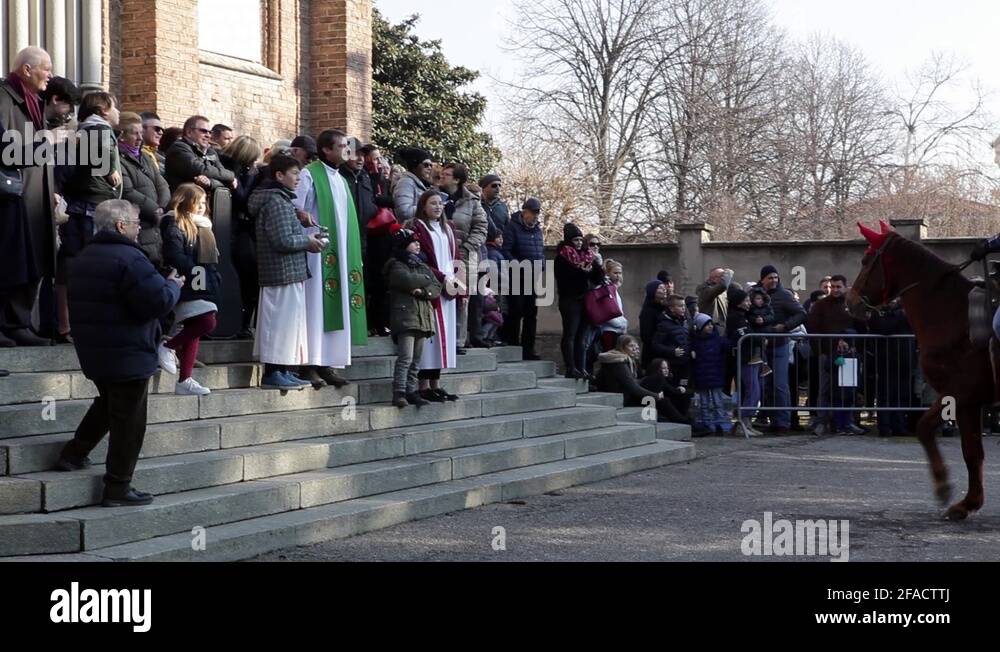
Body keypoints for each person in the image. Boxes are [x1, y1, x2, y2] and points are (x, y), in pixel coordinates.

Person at [55, 199, 182, 507]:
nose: (139, 230)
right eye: (137, 224)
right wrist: (174, 286)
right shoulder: (131, 259)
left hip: (97, 350)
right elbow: (156, 301)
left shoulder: (85, 256)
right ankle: (117, 486)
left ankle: (74, 452)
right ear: (122, 225)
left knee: (109, 403)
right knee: (130, 422)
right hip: (128, 350)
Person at [293, 129, 366, 388]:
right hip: (316, 252)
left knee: (336, 305)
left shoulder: (342, 179)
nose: (347, 151)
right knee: (315, 306)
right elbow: (295, 206)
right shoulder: (309, 174)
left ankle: (328, 363)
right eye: (342, 146)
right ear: (326, 149)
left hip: (341, 253)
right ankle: (308, 364)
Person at [249, 154, 326, 390]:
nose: (298, 179)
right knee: (278, 324)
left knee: (289, 325)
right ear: (279, 175)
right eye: (294, 173)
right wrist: (308, 241)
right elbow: (282, 240)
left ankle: (283, 369)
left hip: (288, 271)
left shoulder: (282, 200)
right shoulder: (276, 201)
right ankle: (273, 372)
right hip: (279, 272)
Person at [55, 91, 122, 344]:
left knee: (71, 266)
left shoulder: (79, 131)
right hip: (91, 207)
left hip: (80, 206)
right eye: (114, 107)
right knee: (89, 267)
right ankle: (76, 326)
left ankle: (66, 325)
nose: (117, 113)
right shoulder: (100, 130)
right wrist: (108, 169)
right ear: (104, 109)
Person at [0, 46, 56, 348]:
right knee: (10, 261)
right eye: (46, 68)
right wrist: (50, 141)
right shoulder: (3, 98)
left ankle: (18, 322)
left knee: (33, 261)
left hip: (36, 197)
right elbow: (7, 151)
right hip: (11, 197)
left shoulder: (35, 102)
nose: (50, 74)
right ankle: (6, 322)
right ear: (26, 70)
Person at [158, 184, 221, 396]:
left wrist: (212, 276)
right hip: (187, 281)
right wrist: (196, 271)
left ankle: (185, 379)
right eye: (198, 202)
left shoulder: (203, 226)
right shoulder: (175, 223)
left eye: (204, 203)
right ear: (185, 201)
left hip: (201, 281)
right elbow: (174, 254)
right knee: (206, 321)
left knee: (196, 325)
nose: (202, 207)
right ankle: (168, 347)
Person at [384, 224, 442, 408]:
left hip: (423, 318)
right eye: (413, 243)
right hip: (405, 318)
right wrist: (427, 280)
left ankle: (411, 390)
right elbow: (408, 280)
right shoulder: (396, 264)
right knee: (405, 358)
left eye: (418, 243)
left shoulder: (421, 265)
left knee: (416, 360)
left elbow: (436, 287)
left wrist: (423, 292)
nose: (418, 246)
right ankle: (399, 391)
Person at [410, 189, 459, 402]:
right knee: (431, 338)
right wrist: (441, 277)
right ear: (423, 206)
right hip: (431, 287)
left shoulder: (447, 229)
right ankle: (423, 384)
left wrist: (457, 278)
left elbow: (455, 257)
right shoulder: (418, 228)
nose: (438, 207)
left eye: (440, 203)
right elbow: (421, 258)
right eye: (433, 203)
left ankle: (436, 383)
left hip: (448, 288)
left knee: (444, 337)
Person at [806, 274, 866, 435]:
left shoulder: (852, 305)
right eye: (833, 287)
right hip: (826, 353)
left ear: (845, 287)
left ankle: (847, 422)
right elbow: (813, 329)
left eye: (838, 287)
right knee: (824, 389)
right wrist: (821, 351)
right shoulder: (820, 305)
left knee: (848, 390)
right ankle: (822, 421)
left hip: (849, 355)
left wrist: (853, 345)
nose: (835, 290)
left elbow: (860, 327)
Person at [440, 162, 488, 350]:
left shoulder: (472, 202)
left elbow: (481, 227)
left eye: (447, 174)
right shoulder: (436, 197)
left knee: (461, 299)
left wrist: (467, 246)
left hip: (464, 257)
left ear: (457, 179)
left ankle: (458, 342)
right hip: (440, 253)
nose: (442, 177)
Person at [220, 135, 265, 337]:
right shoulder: (232, 170)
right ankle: (239, 323)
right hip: (234, 230)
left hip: (241, 230)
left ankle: (244, 323)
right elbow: (243, 200)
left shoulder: (247, 173)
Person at [757, 265, 807, 434]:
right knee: (767, 385)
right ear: (763, 279)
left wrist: (784, 326)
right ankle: (772, 420)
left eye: (776, 277)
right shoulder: (756, 294)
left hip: (779, 344)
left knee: (780, 384)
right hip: (760, 347)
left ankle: (783, 422)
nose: (774, 280)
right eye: (770, 277)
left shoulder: (784, 295)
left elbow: (801, 313)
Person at [118, 111, 171, 268]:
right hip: (138, 224)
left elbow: (162, 184)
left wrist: (161, 207)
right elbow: (127, 191)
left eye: (141, 133)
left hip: (154, 225)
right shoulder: (118, 159)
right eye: (135, 134)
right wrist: (154, 209)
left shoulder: (146, 158)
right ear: (121, 135)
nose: (140, 138)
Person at [554, 222, 603, 379]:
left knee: (582, 336)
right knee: (571, 334)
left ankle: (581, 368)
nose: (579, 243)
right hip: (570, 300)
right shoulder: (562, 257)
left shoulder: (588, 256)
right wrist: (582, 273)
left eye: (581, 240)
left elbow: (598, 278)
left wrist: (595, 268)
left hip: (585, 300)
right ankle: (571, 367)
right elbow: (566, 282)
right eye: (576, 240)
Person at [501, 197, 545, 360]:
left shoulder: (537, 231)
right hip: (516, 276)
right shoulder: (512, 227)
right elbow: (506, 251)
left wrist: (540, 267)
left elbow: (540, 251)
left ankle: (528, 349)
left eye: (537, 213)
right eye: (533, 212)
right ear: (524, 212)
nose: (535, 216)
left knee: (531, 314)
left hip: (533, 277)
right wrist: (518, 266)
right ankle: (513, 345)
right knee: (515, 311)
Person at [361, 143, 397, 336]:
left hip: (384, 234)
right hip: (371, 235)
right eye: (375, 159)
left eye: (379, 158)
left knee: (382, 282)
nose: (379, 162)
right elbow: (376, 200)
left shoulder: (382, 178)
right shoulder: (367, 177)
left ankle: (380, 322)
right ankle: (371, 322)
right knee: (372, 281)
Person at [867, 297, 915, 436]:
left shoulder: (907, 310)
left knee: (901, 394)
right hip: (886, 359)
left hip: (904, 358)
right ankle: (885, 426)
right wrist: (898, 314)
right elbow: (882, 328)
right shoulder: (880, 312)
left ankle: (899, 426)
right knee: (885, 395)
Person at [164, 115, 237, 193]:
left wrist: (210, 183)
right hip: (185, 201)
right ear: (189, 132)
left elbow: (223, 176)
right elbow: (201, 170)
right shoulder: (179, 148)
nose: (208, 135)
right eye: (203, 131)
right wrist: (231, 176)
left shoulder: (210, 151)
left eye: (210, 132)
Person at [595, 335, 667, 413]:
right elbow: (633, 387)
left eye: (636, 347)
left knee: (655, 379)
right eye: (631, 346)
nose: (634, 349)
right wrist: (656, 396)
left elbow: (635, 380)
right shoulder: (619, 362)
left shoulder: (627, 360)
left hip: (624, 393)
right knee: (657, 381)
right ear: (622, 347)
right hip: (621, 397)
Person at [650, 294, 693, 416]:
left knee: (685, 391)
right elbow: (656, 345)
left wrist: (692, 350)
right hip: (673, 365)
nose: (683, 308)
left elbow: (689, 339)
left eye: (684, 306)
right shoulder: (664, 324)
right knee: (674, 392)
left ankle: (684, 416)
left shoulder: (686, 321)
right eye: (680, 306)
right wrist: (672, 351)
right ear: (672, 308)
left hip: (685, 364)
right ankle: (676, 417)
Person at [691, 313, 732, 436]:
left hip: (715, 374)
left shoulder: (718, 340)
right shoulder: (696, 342)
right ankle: (707, 424)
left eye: (710, 324)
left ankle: (720, 423)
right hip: (703, 375)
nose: (710, 327)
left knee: (717, 401)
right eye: (707, 325)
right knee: (704, 402)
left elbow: (727, 348)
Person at [727, 287, 760, 432]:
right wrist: (759, 340)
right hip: (745, 359)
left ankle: (747, 422)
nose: (749, 303)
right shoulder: (735, 318)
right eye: (746, 300)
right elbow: (744, 336)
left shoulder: (744, 316)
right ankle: (744, 421)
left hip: (750, 357)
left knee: (754, 389)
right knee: (752, 389)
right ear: (739, 303)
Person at [639, 358, 692, 425]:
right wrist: (682, 390)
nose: (666, 370)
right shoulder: (655, 378)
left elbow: (671, 391)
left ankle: (684, 419)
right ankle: (683, 421)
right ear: (656, 369)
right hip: (647, 405)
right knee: (665, 401)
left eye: (667, 368)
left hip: (654, 404)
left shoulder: (661, 379)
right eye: (663, 368)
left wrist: (683, 390)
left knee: (683, 397)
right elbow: (672, 391)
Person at [393, 147, 433, 222]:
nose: (429, 168)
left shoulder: (422, 184)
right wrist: (428, 207)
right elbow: (404, 212)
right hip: (411, 230)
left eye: (431, 165)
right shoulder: (406, 183)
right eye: (426, 165)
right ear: (414, 165)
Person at [596, 259, 628, 352]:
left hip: (619, 330)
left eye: (620, 273)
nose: (618, 276)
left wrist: (623, 323)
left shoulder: (614, 289)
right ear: (608, 274)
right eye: (615, 273)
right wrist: (620, 324)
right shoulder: (604, 289)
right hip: (609, 331)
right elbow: (605, 311)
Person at [639, 280, 667, 367]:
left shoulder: (663, 308)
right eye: (660, 288)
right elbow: (646, 336)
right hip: (653, 355)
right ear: (652, 291)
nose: (664, 290)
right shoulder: (648, 311)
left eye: (664, 287)